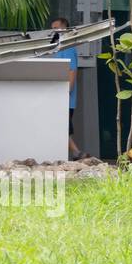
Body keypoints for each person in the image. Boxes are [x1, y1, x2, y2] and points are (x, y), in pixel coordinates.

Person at [49, 17, 84, 160]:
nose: (54, 31)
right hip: (58, 96)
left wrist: (66, 92)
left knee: (62, 127)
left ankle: (77, 153)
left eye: (57, 28)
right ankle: (76, 153)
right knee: (61, 127)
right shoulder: (57, 47)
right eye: (53, 28)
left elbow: (72, 71)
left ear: (65, 29)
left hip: (65, 98)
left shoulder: (68, 47)